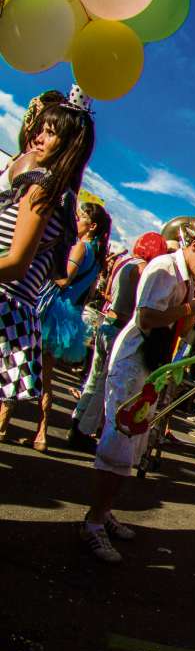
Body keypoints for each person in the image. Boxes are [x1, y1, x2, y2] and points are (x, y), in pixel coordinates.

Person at [81, 220, 195, 563]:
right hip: (134, 361)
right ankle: (93, 522)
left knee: (130, 446)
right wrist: (193, 307)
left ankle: (104, 512)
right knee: (117, 443)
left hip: (151, 366)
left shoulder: (188, 279)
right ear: (194, 245)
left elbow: (183, 325)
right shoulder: (164, 268)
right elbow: (147, 317)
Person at [0, 99, 94, 441]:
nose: (38, 136)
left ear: (69, 145)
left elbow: (15, 263)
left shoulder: (45, 189)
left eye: (50, 132)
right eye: (39, 128)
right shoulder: (58, 191)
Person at [69, 232, 169, 451]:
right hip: (119, 328)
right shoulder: (143, 270)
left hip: (107, 322)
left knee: (93, 379)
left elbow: (106, 293)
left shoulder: (123, 262)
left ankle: (77, 421)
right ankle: (84, 431)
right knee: (103, 384)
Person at [28, 201, 110, 451]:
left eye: (80, 217)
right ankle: (41, 432)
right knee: (46, 377)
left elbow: (64, 280)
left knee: (19, 361)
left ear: (91, 226)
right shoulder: (97, 257)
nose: (75, 220)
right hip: (68, 316)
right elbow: (90, 293)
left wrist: (43, 263)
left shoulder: (81, 247)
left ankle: (6, 424)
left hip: (50, 309)